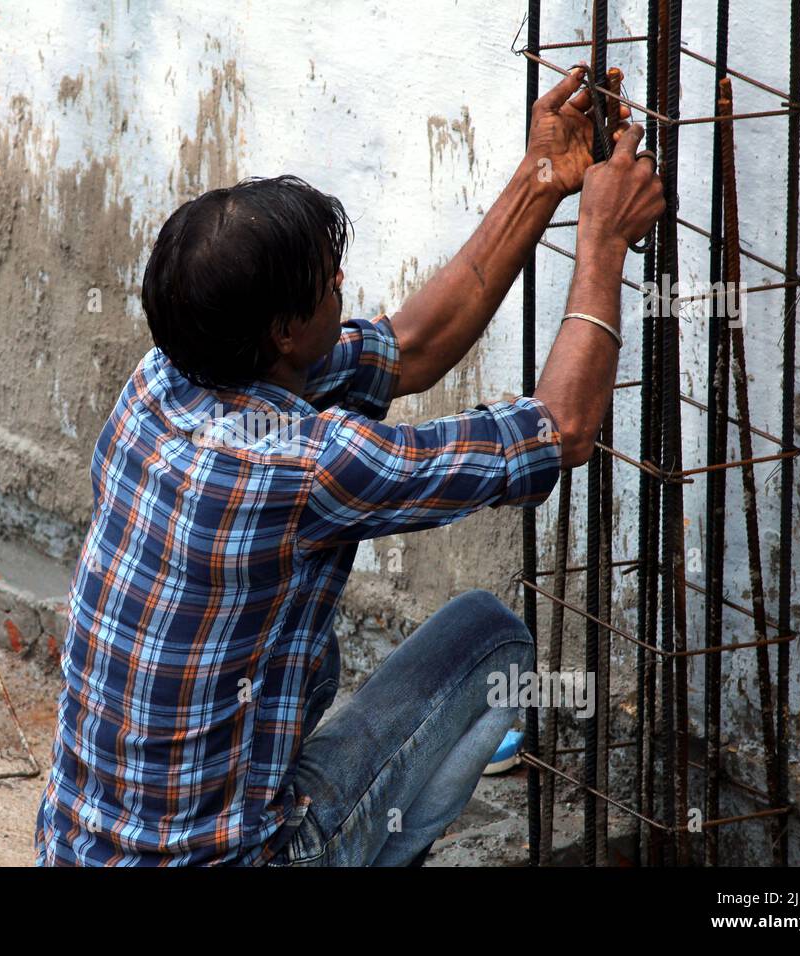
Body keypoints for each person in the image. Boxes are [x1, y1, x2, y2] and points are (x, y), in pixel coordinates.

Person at [35, 66, 665, 866]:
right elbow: (563, 430)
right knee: (491, 638)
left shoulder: (162, 380)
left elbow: (414, 346)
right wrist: (602, 244)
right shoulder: (301, 466)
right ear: (285, 334)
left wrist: (542, 180)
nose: (342, 284)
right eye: (328, 283)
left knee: (305, 655)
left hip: (79, 853)